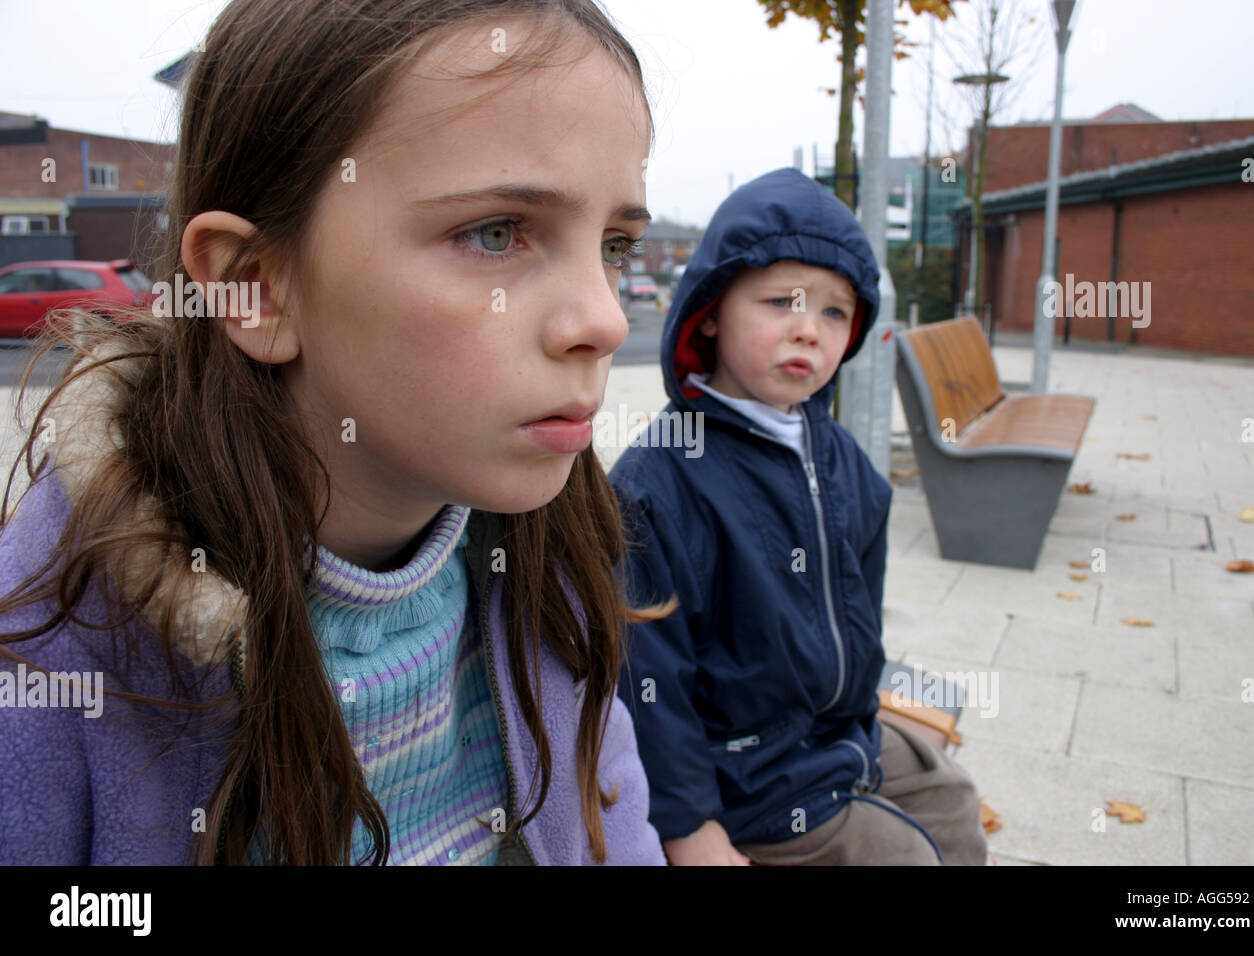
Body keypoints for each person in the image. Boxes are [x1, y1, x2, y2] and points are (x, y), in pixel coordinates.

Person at [0, 0, 670, 866]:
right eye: (496, 233)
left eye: (615, 245)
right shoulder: (52, 658)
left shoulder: (549, 551)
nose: (605, 320)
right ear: (257, 286)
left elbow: (611, 818)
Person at [610, 167, 988, 866]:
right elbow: (645, 680)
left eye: (835, 312)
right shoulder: (660, 480)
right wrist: (688, 824)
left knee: (954, 802)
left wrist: (858, 725)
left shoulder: (839, 458)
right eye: (781, 301)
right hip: (739, 775)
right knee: (905, 856)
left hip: (831, 736)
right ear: (713, 310)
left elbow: (855, 615)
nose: (809, 330)